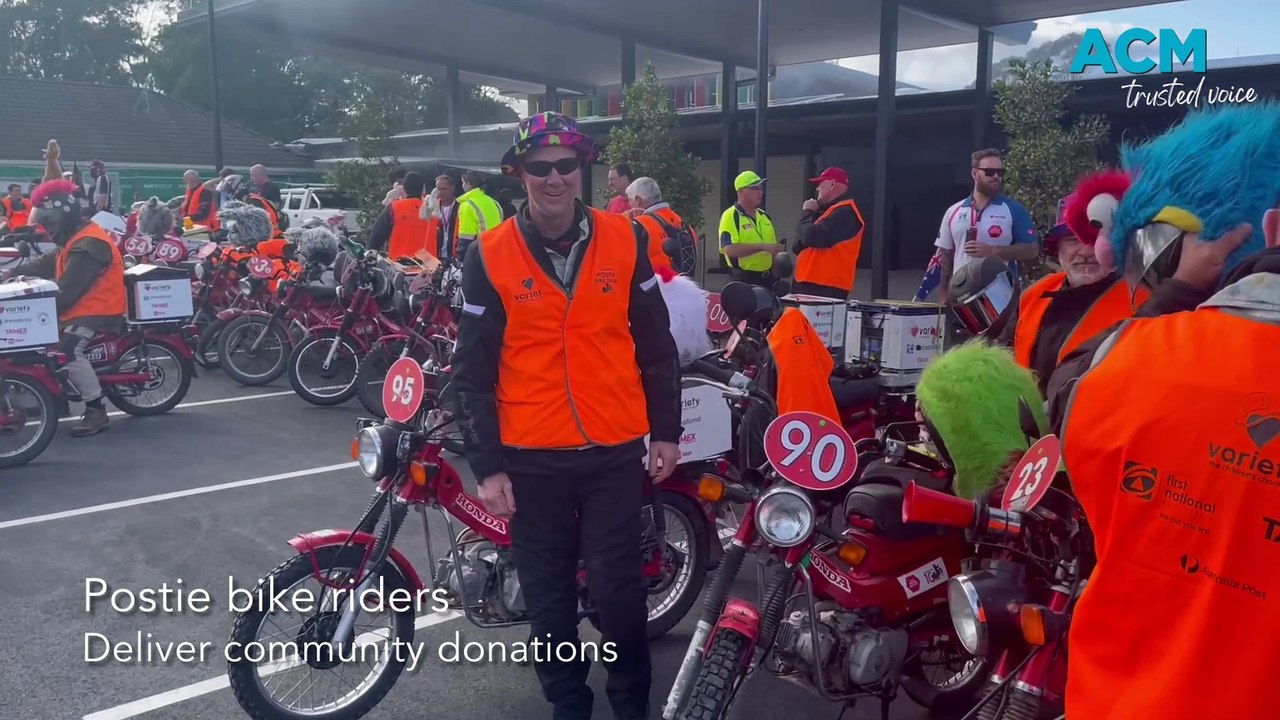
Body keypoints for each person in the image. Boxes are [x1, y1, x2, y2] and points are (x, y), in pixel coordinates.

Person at [1045, 104, 1280, 720]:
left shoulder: (1134, 355)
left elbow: (1069, 397)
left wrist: (1176, 297)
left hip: (1118, 697)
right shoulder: (1065, 314)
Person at [453, 111, 681, 720]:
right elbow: (471, 370)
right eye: (538, 168)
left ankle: (633, 707)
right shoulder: (489, 254)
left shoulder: (626, 237)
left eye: (566, 166)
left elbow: (655, 341)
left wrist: (667, 430)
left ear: (582, 168)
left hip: (612, 449)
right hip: (531, 459)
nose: (554, 179)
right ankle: (568, 707)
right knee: (551, 603)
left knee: (618, 593)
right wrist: (488, 466)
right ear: (518, 173)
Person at [1000, 174, 1148, 393]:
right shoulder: (1034, 296)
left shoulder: (1144, 301)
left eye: (1095, 239)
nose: (1086, 251)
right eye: (1073, 239)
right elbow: (1002, 358)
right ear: (1056, 248)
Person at [19, 179, 125, 436]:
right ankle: (55, 397)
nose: (48, 230)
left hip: (98, 310)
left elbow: (67, 291)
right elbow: (46, 262)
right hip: (80, 307)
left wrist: (31, 301)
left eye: (51, 224)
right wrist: (12, 274)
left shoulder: (90, 244)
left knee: (66, 351)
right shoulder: (76, 238)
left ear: (64, 219)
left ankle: (96, 410)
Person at [935, 149, 1039, 303]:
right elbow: (946, 256)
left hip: (1001, 295)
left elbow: (1032, 250)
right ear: (975, 174)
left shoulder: (1013, 209)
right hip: (960, 294)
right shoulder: (954, 211)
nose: (996, 176)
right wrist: (943, 293)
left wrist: (992, 251)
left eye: (1000, 172)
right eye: (990, 172)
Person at [792, 166, 865, 299]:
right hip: (807, 283)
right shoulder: (825, 212)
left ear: (832, 184)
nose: (817, 189)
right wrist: (811, 216)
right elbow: (797, 246)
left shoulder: (846, 212)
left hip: (826, 287)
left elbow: (812, 237)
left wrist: (807, 213)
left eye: (820, 184)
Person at [718, 170, 781, 287]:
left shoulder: (765, 216)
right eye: (754, 188)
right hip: (743, 280)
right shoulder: (731, 215)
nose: (760, 192)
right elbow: (729, 250)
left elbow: (772, 250)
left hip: (767, 280)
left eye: (761, 187)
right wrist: (761, 247)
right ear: (741, 191)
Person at [625, 176, 690, 273]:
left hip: (655, 283)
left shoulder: (640, 224)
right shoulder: (679, 220)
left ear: (638, 199)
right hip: (682, 282)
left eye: (629, 200)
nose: (629, 204)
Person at [367, 171, 433, 260]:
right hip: (429, 266)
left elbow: (377, 237)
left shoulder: (393, 208)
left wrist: (370, 257)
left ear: (404, 189)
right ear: (422, 189)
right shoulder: (433, 210)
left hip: (399, 265)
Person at [218, 174, 288, 239]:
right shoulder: (251, 200)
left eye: (229, 191)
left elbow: (252, 229)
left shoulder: (253, 203)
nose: (228, 194)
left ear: (237, 189)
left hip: (269, 239)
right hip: (268, 237)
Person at [453, 171, 504, 258]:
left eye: (463, 182)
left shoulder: (467, 205)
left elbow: (466, 236)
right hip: (497, 251)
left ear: (468, 183)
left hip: (478, 254)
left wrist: (460, 257)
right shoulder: (493, 202)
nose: (462, 186)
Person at [425, 174, 458, 261]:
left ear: (452, 188)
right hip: (436, 256)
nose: (440, 192)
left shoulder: (461, 206)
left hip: (454, 255)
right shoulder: (433, 206)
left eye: (443, 189)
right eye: (438, 189)